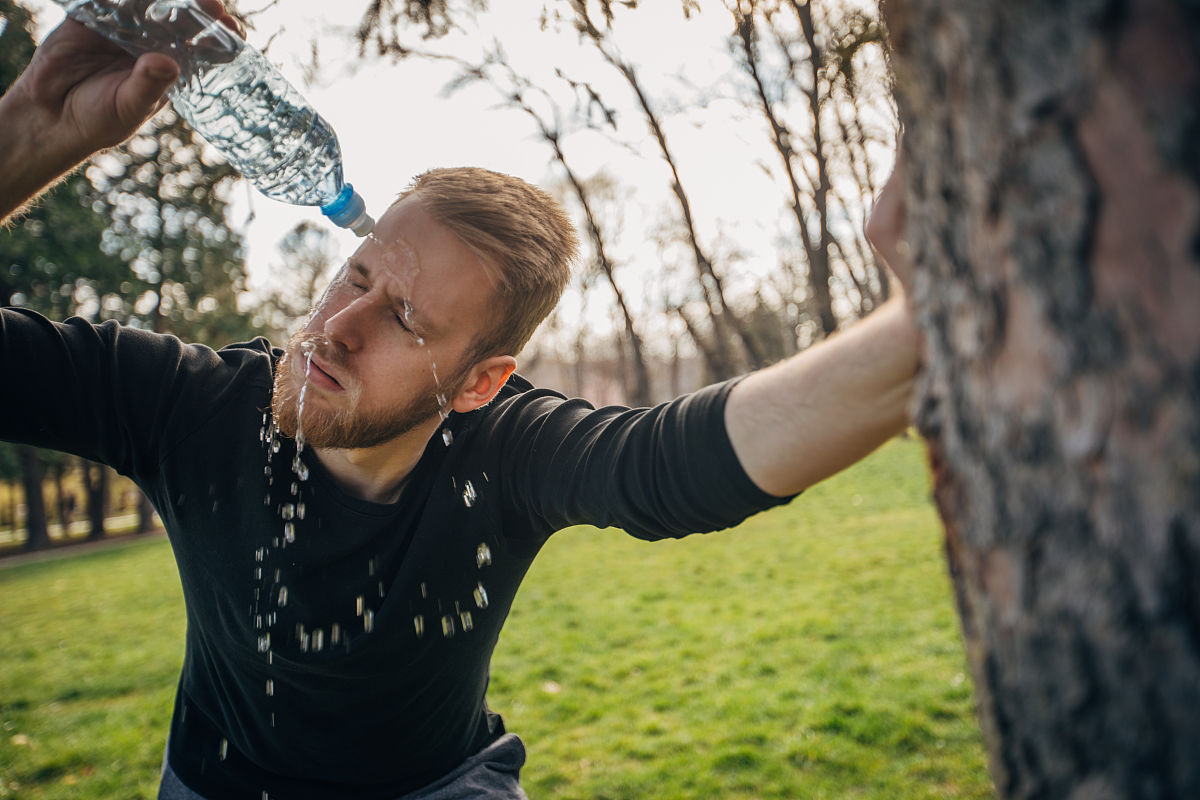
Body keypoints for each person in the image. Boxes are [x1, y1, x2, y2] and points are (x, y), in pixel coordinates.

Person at [0, 4, 917, 799]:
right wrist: (33, 131)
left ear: (480, 383)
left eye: (403, 318)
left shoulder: (503, 453)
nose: (337, 328)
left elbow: (671, 465)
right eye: (353, 277)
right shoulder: (195, 406)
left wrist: (927, 330)